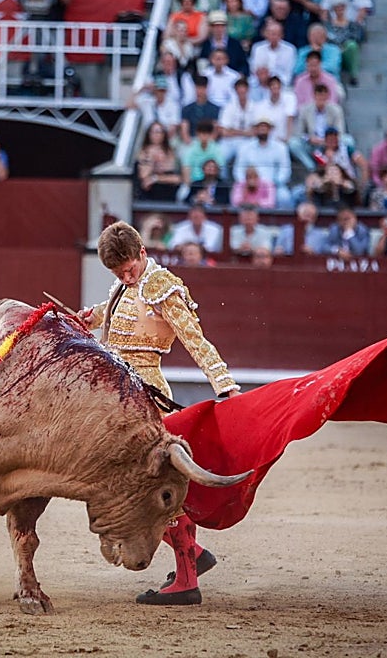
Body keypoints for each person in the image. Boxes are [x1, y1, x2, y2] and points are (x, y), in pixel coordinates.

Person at [78, 220, 239, 607]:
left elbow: (195, 339)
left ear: (143, 253)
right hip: (117, 394)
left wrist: (225, 385)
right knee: (123, 487)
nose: (125, 277)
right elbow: (115, 310)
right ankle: (194, 557)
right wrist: (90, 318)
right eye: (118, 273)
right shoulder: (127, 284)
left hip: (146, 397)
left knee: (152, 492)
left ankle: (187, 580)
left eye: (129, 269)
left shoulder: (162, 286)